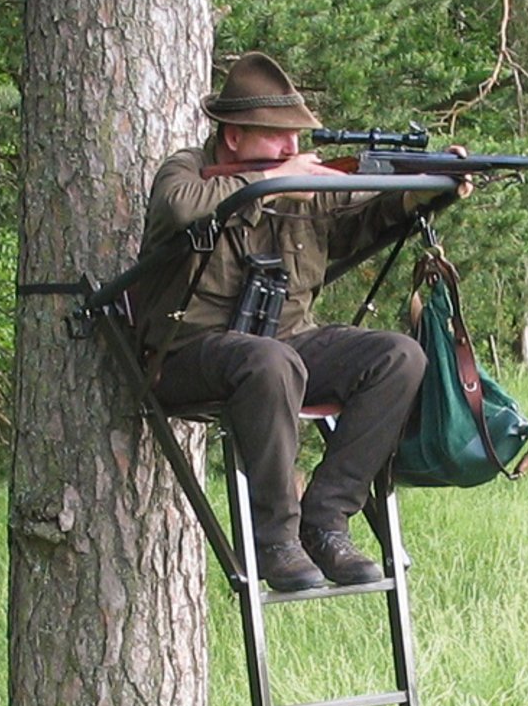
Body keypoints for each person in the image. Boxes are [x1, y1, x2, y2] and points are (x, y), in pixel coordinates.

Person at [131, 53, 466, 592]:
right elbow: (179, 206)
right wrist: (270, 182)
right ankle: (275, 542)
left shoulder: (304, 185)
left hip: (286, 347)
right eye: (277, 136)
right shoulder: (188, 170)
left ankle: (326, 520)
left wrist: (421, 194)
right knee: (270, 360)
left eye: (296, 136)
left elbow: (362, 222)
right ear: (234, 137)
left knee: (399, 357)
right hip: (187, 353)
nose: (293, 147)